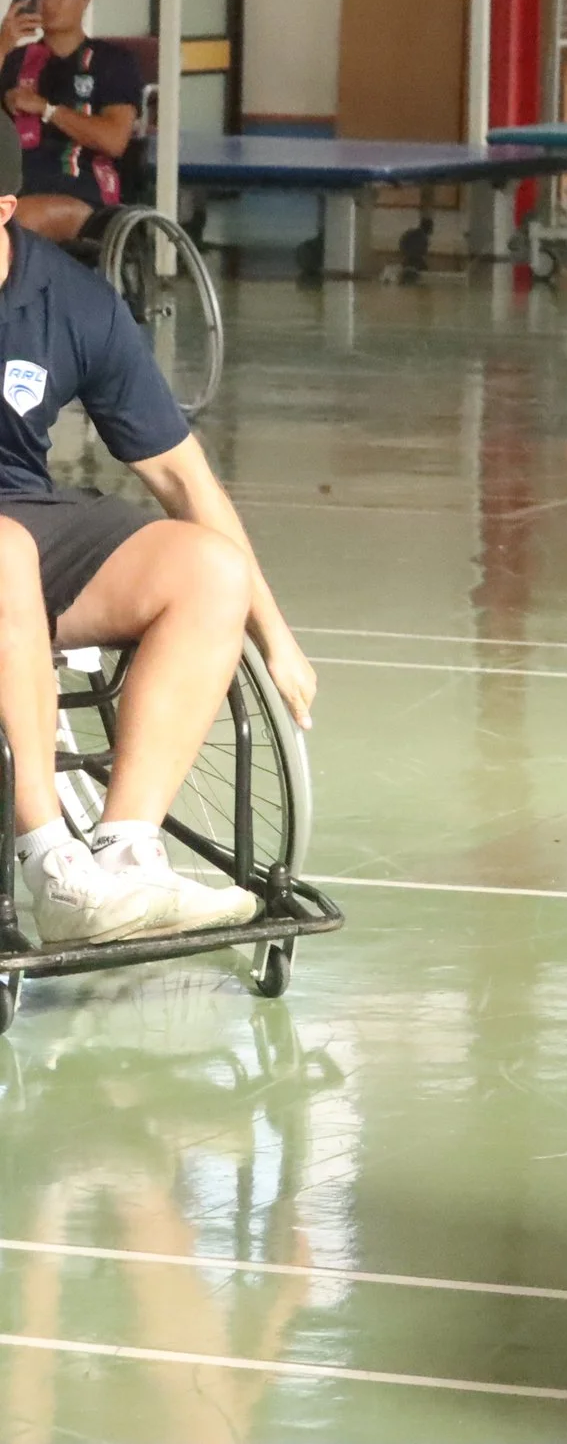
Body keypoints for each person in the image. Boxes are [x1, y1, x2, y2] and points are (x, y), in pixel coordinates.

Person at [0, 126, 317, 947]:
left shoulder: (67, 302)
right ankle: (49, 863)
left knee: (208, 568)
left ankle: (125, 851)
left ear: (4, 208)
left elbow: (182, 477)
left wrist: (274, 634)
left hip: (23, 521)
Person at [0, 0, 145, 246]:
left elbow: (114, 140)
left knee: (12, 225)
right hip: (16, 186)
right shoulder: (15, 60)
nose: (48, 3)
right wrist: (2, 46)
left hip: (82, 190)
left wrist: (47, 109)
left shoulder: (111, 61)